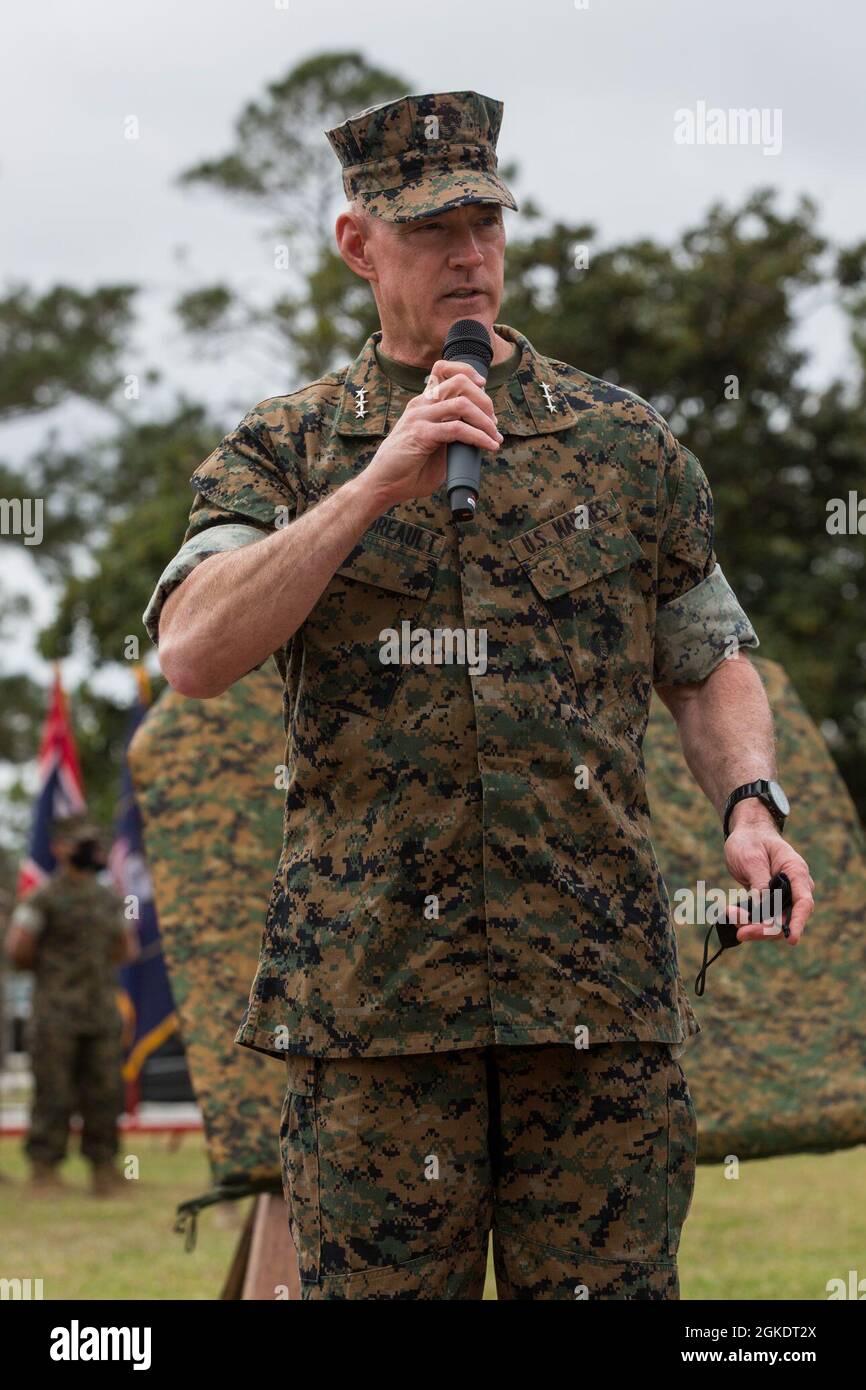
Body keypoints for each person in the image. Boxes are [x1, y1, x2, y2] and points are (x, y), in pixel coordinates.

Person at [143, 90, 815, 1299]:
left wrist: (750, 806)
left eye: (486, 224)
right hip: (374, 1021)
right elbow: (191, 651)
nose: (467, 255)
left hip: (593, 1012)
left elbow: (706, 658)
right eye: (430, 229)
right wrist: (370, 487)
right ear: (358, 245)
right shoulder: (286, 448)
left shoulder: (623, 445)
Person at [4, 814, 137, 1196]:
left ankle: (106, 1169)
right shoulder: (42, 897)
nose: (94, 850)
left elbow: (126, 948)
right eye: (85, 844)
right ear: (61, 850)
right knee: (53, 1092)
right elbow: (17, 950)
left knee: (105, 1091)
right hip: (55, 1015)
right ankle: (44, 1170)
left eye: (97, 844)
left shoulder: (112, 900)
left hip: (100, 1014)